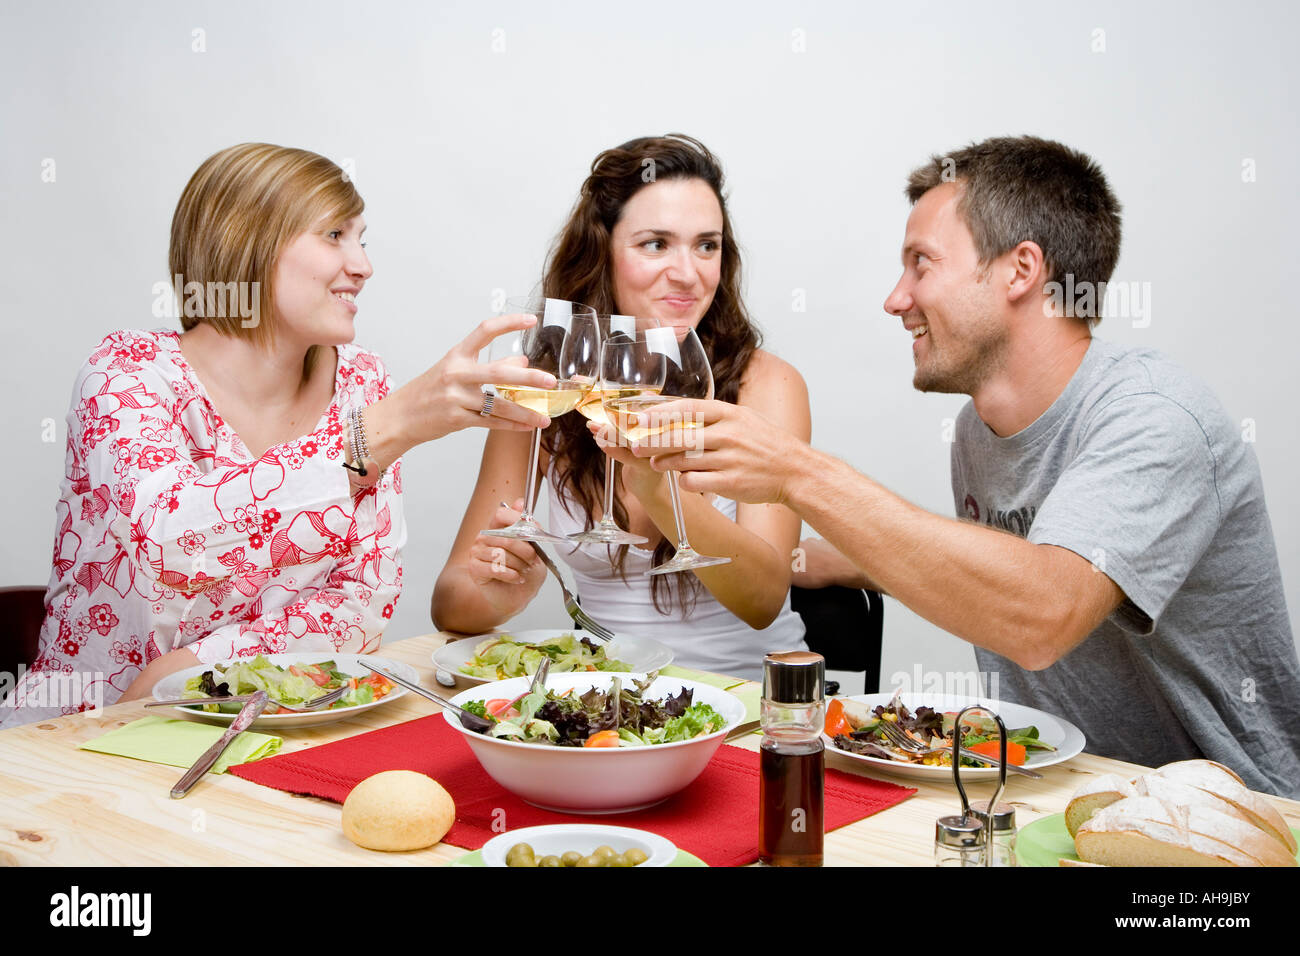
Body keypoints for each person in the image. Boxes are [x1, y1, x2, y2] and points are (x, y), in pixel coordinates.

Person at [622, 135, 1300, 798]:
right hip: (1057, 795)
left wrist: (799, 473)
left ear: (1020, 270)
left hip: (1232, 818)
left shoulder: (1154, 417)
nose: (896, 298)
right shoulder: (981, 426)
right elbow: (1018, 559)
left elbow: (1040, 615)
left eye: (921, 263)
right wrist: (837, 559)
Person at [0, 143, 554, 726]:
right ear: (247, 243)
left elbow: (361, 596)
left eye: (362, 238)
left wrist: (199, 666)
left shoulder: (361, 384)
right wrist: (386, 429)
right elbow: (166, 542)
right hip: (77, 736)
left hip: (271, 723)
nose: (363, 265)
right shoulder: (127, 373)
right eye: (335, 235)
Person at [433, 134, 809, 680]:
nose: (689, 272)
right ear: (601, 252)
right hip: (606, 706)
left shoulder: (767, 384)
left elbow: (764, 599)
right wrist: (500, 594)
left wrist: (660, 492)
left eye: (707, 245)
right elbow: (449, 605)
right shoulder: (545, 387)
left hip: (747, 705)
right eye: (656, 244)